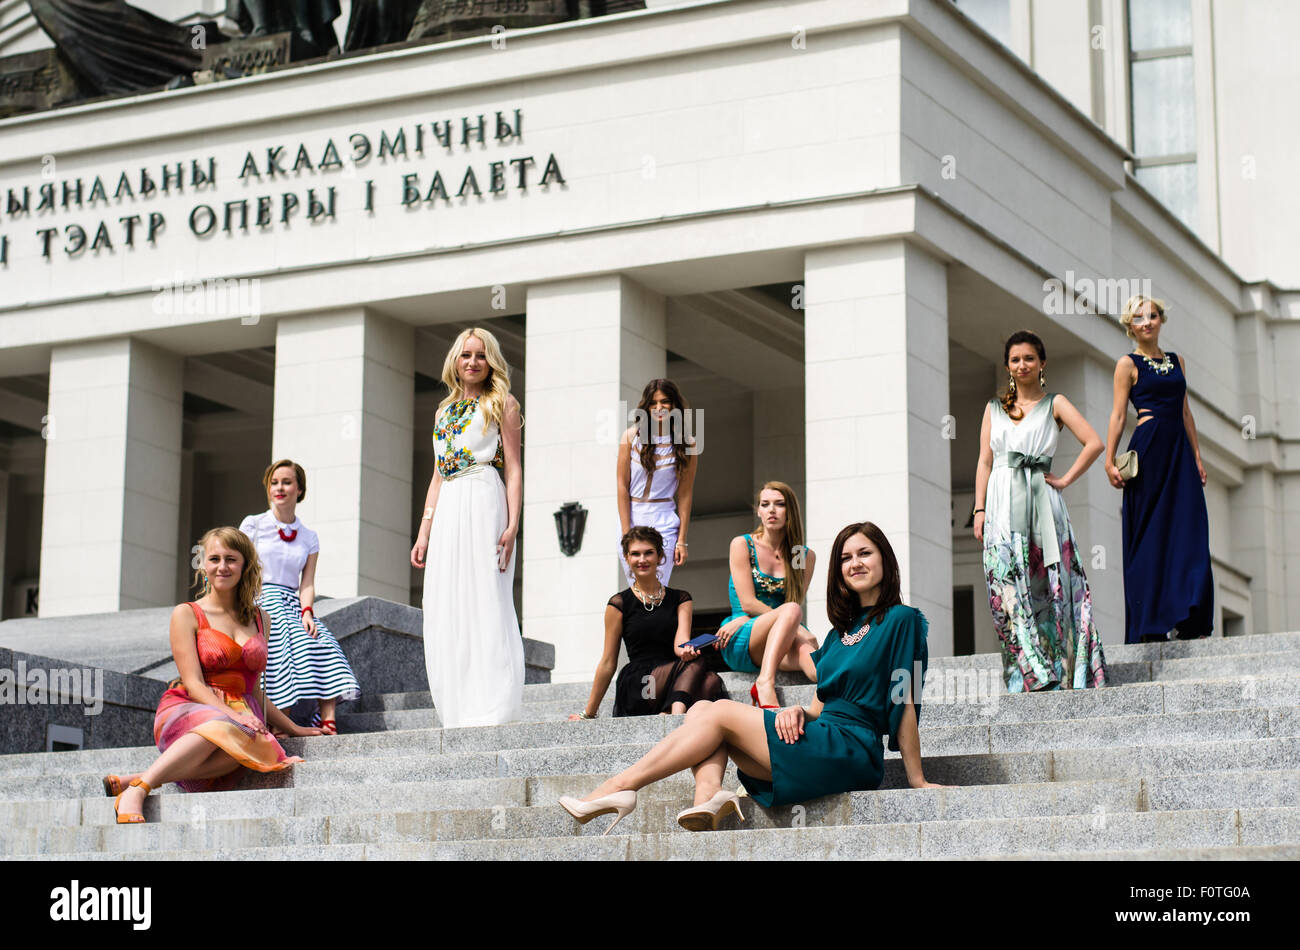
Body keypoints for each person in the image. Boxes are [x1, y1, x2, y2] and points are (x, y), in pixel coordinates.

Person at [558, 521, 943, 834]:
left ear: (884, 560)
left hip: (853, 751)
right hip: (819, 739)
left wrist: (916, 779)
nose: (855, 563)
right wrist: (798, 713)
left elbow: (905, 699)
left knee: (718, 711)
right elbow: (820, 705)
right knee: (703, 709)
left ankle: (618, 789)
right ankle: (707, 797)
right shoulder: (837, 634)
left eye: (865, 553)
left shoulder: (902, 621)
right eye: (846, 557)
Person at [103, 527, 322, 824]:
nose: (222, 566)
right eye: (214, 558)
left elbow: (255, 689)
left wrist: (294, 728)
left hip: (242, 713)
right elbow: (193, 682)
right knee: (227, 725)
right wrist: (233, 716)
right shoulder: (187, 613)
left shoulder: (261, 618)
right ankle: (138, 790)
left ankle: (138, 777)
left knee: (245, 746)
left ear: (245, 565)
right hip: (189, 706)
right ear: (204, 564)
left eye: (231, 559)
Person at [972, 331, 1108, 692]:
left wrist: (1063, 480)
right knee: (1005, 585)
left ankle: (1061, 669)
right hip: (1001, 505)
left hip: (1042, 504)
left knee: (1050, 584)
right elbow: (985, 462)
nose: (1022, 365)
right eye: (1015, 359)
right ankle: (1029, 672)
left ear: (1041, 363)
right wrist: (978, 509)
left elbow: (1095, 442)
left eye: (1029, 358)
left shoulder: (1055, 403)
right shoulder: (993, 409)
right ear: (1007, 366)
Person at [411, 327, 525, 728]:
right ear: (455, 363)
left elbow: (512, 468)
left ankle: (493, 705)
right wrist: (425, 529)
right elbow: (439, 474)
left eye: (480, 355)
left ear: (490, 361)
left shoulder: (503, 404)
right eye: (465, 355)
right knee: (446, 601)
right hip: (449, 507)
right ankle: (458, 707)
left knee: (484, 596)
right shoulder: (443, 412)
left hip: (483, 497)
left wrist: (512, 523)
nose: (473, 362)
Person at [1104, 295, 1214, 643]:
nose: (1147, 322)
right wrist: (1109, 460)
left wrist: (1196, 456)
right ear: (1130, 326)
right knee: (1151, 534)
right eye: (1139, 318)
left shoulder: (1178, 361)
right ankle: (1151, 623)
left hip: (1179, 452)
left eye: (1152, 315)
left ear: (1161, 320)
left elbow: (1185, 412)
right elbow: (1119, 415)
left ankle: (1190, 618)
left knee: (1189, 531)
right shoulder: (1127, 364)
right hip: (1149, 449)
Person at [239, 459, 360, 735]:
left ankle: (328, 719)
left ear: (299, 489)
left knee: (322, 641)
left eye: (286, 482)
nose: (279, 488)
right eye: (274, 482)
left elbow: (307, 583)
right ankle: (283, 719)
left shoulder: (309, 536)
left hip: (292, 601)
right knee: (282, 644)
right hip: (259, 599)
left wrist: (307, 611)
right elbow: (240, 567)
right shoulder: (253, 525)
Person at [569, 526, 727, 721]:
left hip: (674, 677)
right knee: (701, 671)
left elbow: (681, 645)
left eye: (648, 553)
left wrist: (687, 651)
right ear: (626, 558)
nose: (642, 559)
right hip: (640, 682)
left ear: (660, 556)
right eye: (635, 554)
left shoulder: (681, 598)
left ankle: (670, 714)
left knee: (711, 680)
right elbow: (608, 662)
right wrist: (588, 713)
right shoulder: (619, 604)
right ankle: (675, 720)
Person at [715, 481, 818, 708]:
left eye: (779, 504)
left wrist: (797, 631)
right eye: (765, 504)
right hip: (744, 634)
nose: (772, 510)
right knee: (793, 612)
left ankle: (850, 687)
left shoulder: (802, 555)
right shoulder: (743, 544)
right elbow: (749, 604)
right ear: (759, 511)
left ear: (790, 510)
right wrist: (800, 628)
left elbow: (794, 600)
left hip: (781, 634)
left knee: (811, 656)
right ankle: (764, 682)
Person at [616, 379, 699, 587]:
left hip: (665, 519)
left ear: (674, 405)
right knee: (637, 586)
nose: (659, 408)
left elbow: (686, 494)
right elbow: (621, 486)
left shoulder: (687, 443)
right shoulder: (631, 437)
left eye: (665, 401)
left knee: (658, 586)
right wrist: (626, 534)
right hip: (633, 515)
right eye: (654, 403)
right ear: (646, 406)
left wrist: (682, 540)